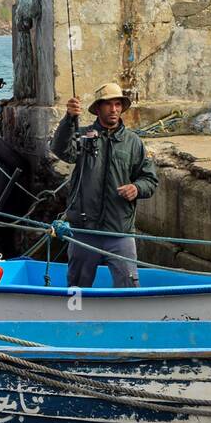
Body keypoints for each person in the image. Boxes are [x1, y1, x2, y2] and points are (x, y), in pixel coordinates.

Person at [50, 82, 158, 289]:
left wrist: (136, 188)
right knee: (77, 286)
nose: (114, 109)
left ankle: (124, 320)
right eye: (109, 104)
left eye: (118, 104)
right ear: (98, 108)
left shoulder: (133, 142)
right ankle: (77, 320)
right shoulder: (83, 136)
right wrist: (69, 119)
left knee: (129, 286)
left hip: (120, 231)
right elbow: (61, 149)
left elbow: (150, 179)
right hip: (84, 231)